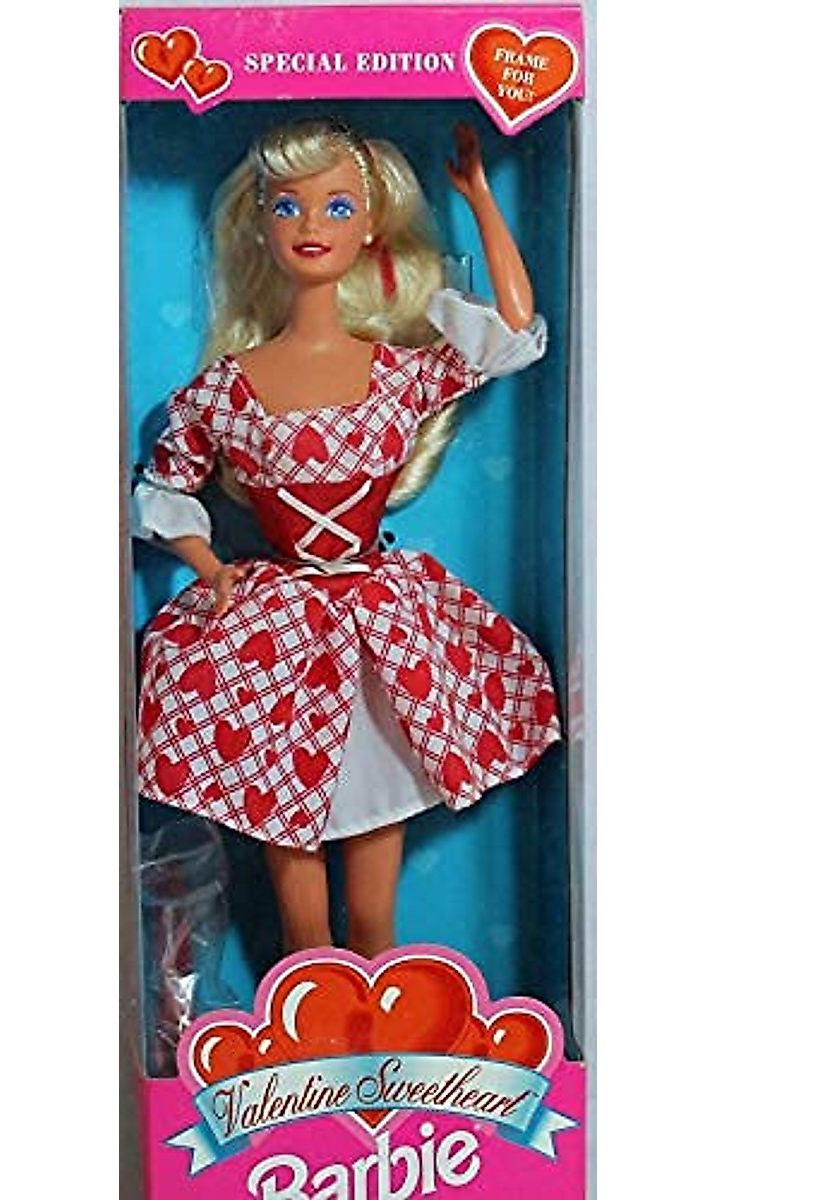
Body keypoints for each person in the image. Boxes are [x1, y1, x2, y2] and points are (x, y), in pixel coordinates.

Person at [133, 118, 561, 959]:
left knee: (372, 911)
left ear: (369, 226)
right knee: (298, 899)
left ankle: (381, 1020)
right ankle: (304, 1017)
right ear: (260, 224)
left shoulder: (398, 373)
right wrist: (209, 566)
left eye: (335, 206)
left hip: (381, 627)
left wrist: (479, 197)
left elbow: (514, 331)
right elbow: (165, 487)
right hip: (280, 632)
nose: (310, 226)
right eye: (286, 206)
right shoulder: (225, 391)